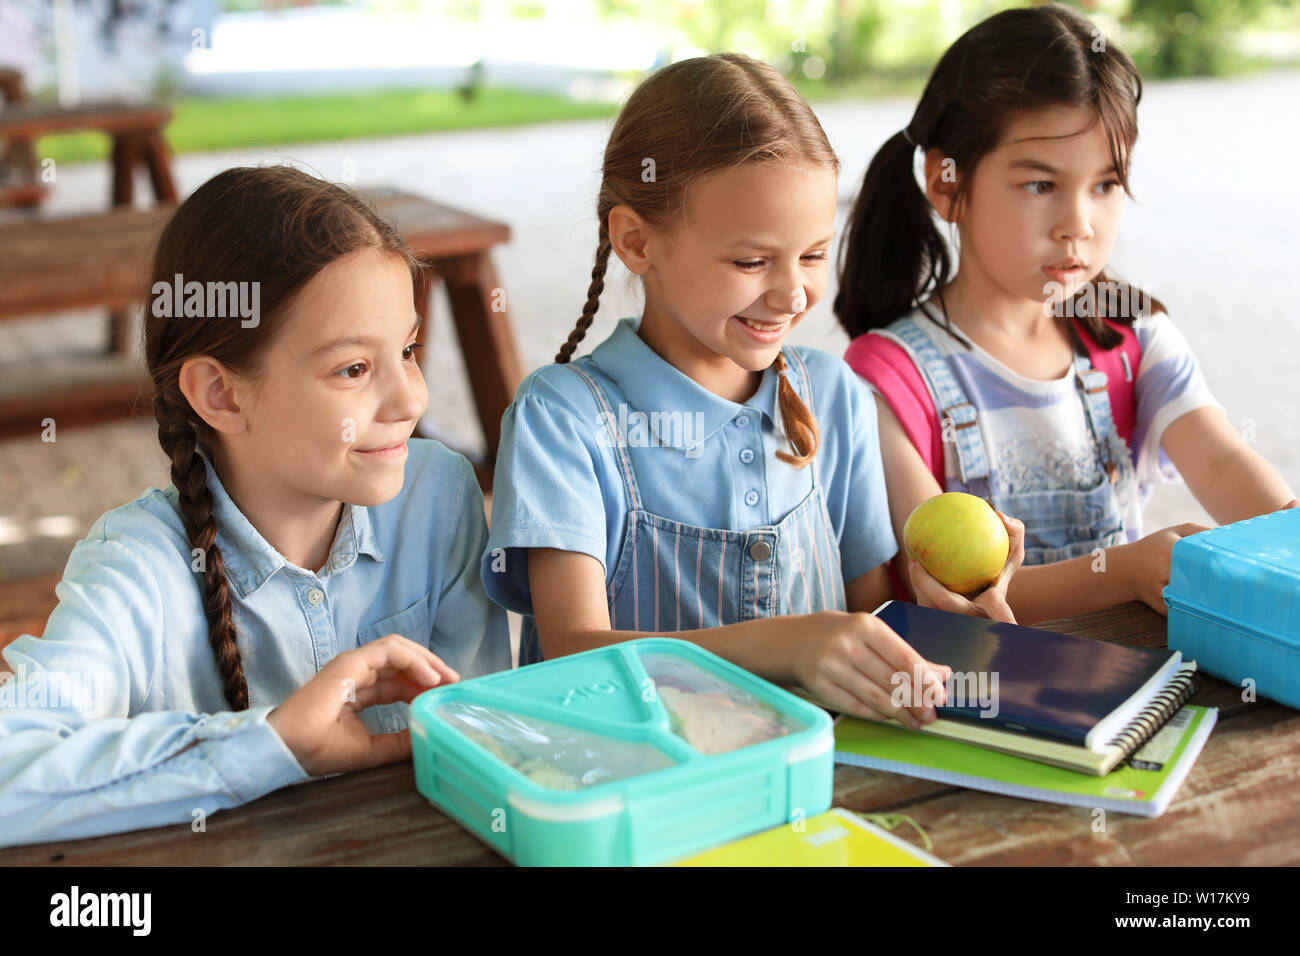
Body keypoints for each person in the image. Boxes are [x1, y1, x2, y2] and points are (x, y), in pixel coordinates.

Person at [483, 54, 1025, 730]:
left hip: (818, 776)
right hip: (637, 792)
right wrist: (785, 647)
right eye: (750, 261)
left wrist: (956, 600)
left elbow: (870, 619)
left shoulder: (834, 395)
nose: (792, 292)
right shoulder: (560, 418)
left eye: (813, 254)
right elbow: (573, 658)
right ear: (635, 241)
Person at [0, 166, 510, 847]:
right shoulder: (135, 569)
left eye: (409, 350)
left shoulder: (438, 496)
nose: (412, 400)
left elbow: (490, 739)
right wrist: (272, 741)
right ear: (222, 395)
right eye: (354, 369)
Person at [836, 4, 1297, 625]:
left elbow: (1221, 462)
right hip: (987, 693)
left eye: (1105, 185)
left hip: (1140, 686)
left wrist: (1285, 545)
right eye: (1040, 186)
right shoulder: (883, 379)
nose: (1078, 225)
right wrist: (1129, 570)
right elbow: (949, 589)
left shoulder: (1133, 337)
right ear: (946, 184)